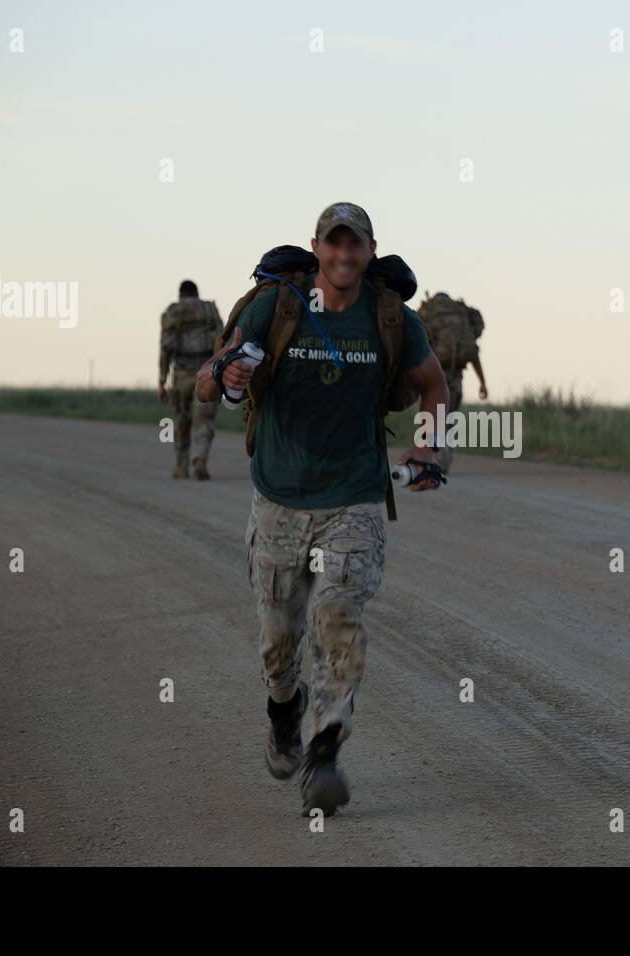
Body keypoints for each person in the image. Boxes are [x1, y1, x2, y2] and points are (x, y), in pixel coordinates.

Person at [195, 203, 449, 816]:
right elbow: (208, 384)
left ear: (367, 251)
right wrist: (221, 374)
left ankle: (326, 750)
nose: (343, 256)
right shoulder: (275, 308)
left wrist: (431, 444)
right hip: (280, 499)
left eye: (353, 246)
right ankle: (284, 713)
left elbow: (434, 385)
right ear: (317, 249)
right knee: (278, 645)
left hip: (355, 498)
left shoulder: (390, 317)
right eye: (333, 245)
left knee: (337, 617)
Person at [417, 291, 487, 471]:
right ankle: (443, 454)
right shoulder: (461, 317)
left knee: (432, 416)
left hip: (434, 372)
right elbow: (473, 353)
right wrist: (482, 383)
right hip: (456, 374)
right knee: (450, 416)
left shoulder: (429, 315)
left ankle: (435, 455)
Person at [159, 280, 222, 479]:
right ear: (197, 292)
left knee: (181, 421)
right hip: (207, 373)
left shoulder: (172, 312)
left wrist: (162, 380)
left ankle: (181, 466)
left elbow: (165, 349)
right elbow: (222, 341)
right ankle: (200, 459)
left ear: (181, 294)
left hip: (181, 375)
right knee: (204, 420)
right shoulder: (209, 310)